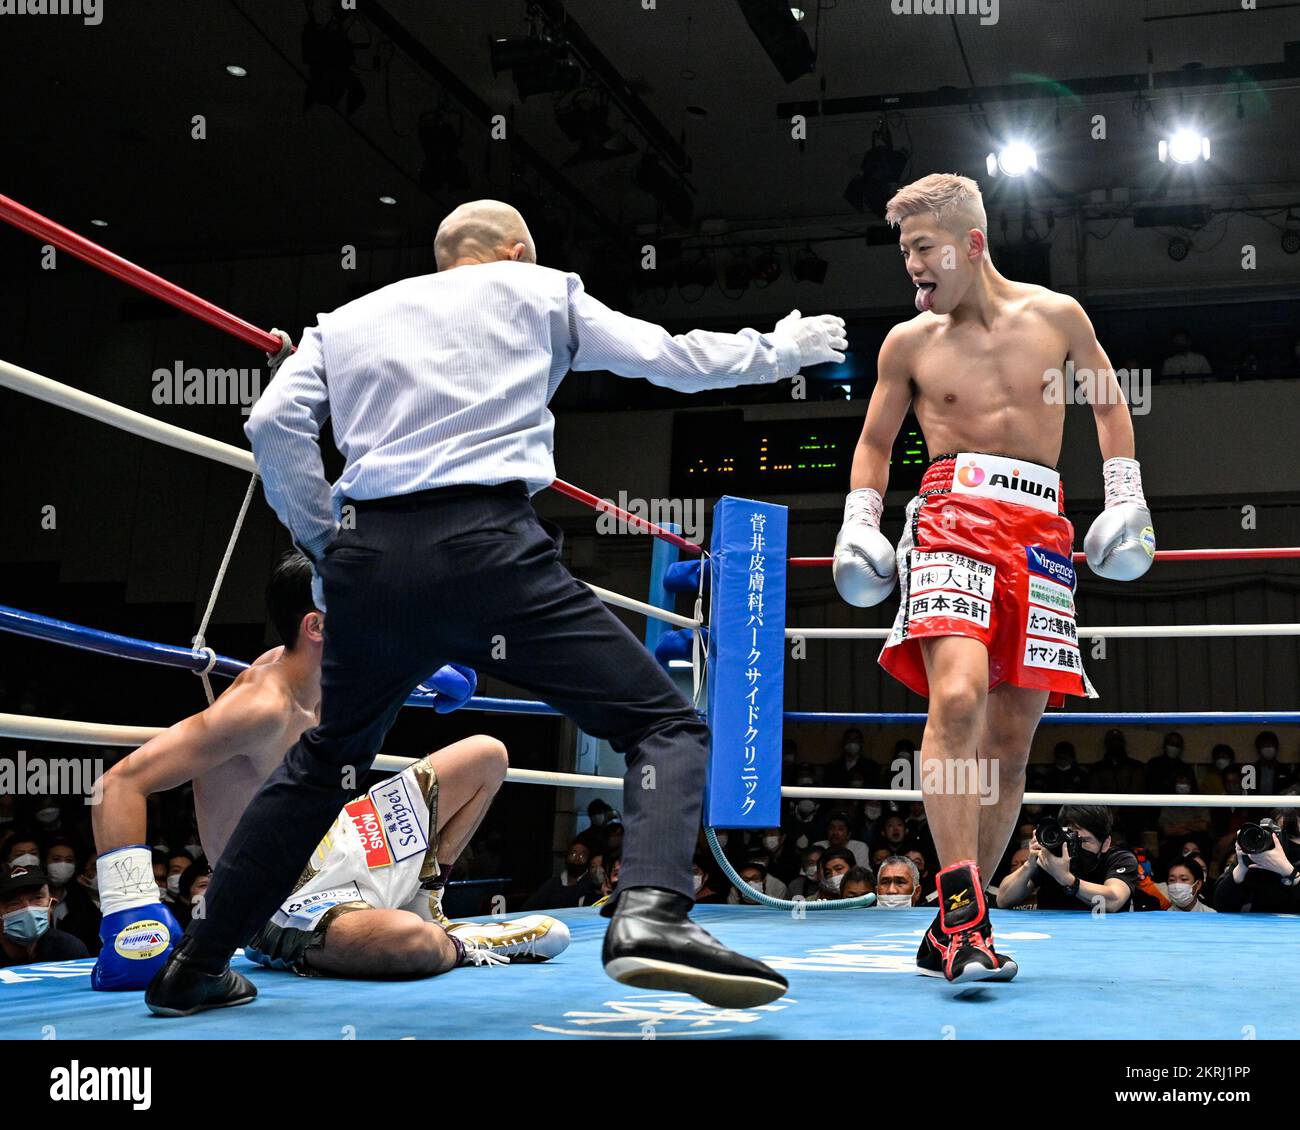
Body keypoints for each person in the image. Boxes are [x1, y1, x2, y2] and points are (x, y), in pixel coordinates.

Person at [148, 199, 846, 1016]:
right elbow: (667, 356)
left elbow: (271, 422)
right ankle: (652, 913)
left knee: (320, 767)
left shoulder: (346, 319)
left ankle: (195, 967)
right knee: (664, 726)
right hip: (486, 548)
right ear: (514, 251)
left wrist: (326, 542)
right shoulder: (538, 288)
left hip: (371, 561)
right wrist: (780, 350)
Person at [831, 173, 1154, 981]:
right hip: (951, 518)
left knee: (1009, 745)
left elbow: (1110, 403)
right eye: (905, 252)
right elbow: (875, 443)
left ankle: (950, 930)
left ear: (972, 245)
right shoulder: (909, 344)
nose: (911, 267)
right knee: (960, 699)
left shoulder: (1057, 316)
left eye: (923, 249)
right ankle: (965, 914)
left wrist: (1127, 498)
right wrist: (857, 521)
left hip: (1041, 532)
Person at [93, 553, 557, 994]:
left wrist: (427, 663)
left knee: (486, 754)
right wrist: (130, 909)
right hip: (283, 895)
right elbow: (119, 783)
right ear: (316, 626)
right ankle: (461, 943)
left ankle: (428, 899)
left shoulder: (332, 669)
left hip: (343, 834)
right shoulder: (260, 708)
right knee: (410, 944)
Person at [995, 805, 1137, 913]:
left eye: (1086, 841)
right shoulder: (1051, 858)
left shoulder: (1119, 859)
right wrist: (1030, 864)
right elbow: (1003, 899)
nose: (1078, 846)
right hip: (1052, 936)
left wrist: (1067, 879)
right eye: (1073, 839)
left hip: (1105, 937)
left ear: (1105, 844)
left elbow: (1115, 899)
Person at [0, 865, 89, 968]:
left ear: (52, 905)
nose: (28, 909)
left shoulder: (69, 949)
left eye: (37, 898)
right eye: (14, 903)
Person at [1213, 809, 1300, 914]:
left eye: (1294, 836)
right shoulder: (1257, 855)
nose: (1285, 841)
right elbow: (1221, 906)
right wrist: (1241, 868)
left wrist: (1289, 872)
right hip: (1261, 927)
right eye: (1280, 833)